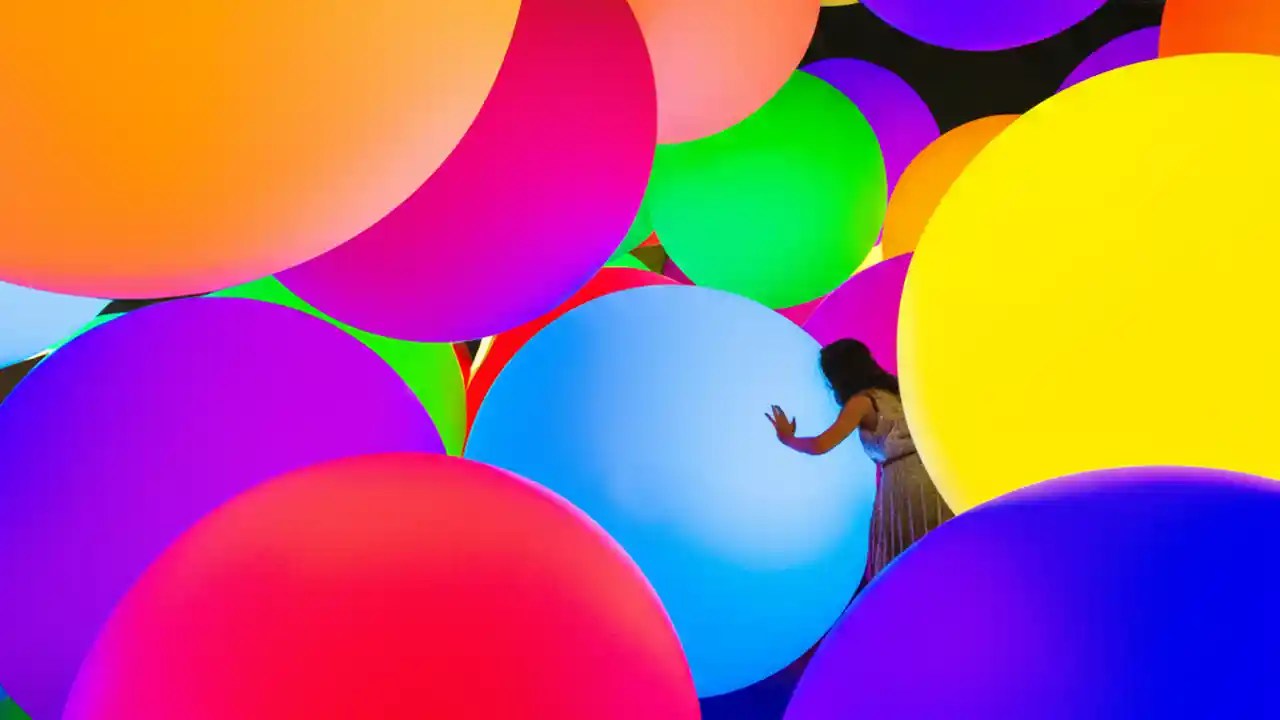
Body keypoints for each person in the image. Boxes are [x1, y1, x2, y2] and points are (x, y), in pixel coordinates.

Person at [766, 338, 953, 586]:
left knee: (906, 556)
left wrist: (788, 439)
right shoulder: (897, 390)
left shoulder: (862, 402)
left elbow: (822, 444)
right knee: (941, 548)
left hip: (903, 482)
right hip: (933, 475)